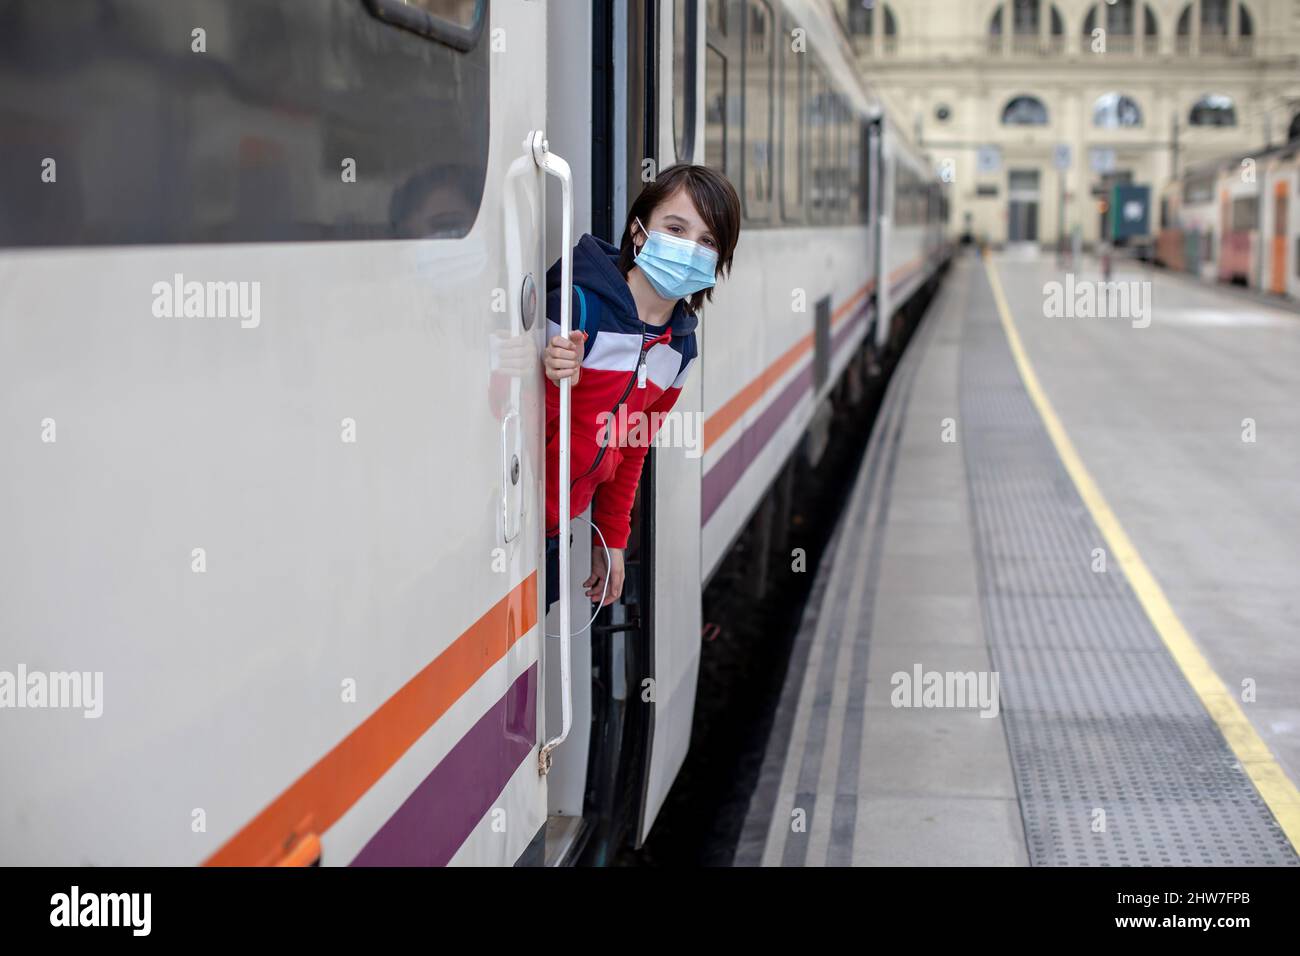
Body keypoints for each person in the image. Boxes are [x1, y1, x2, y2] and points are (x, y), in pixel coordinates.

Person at [541, 164, 742, 613]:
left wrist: (611, 536)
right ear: (638, 232)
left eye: (708, 241)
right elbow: (510, 418)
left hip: (556, 531)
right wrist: (556, 381)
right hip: (515, 522)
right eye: (675, 228)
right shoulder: (574, 310)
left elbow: (633, 446)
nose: (689, 248)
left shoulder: (680, 350)